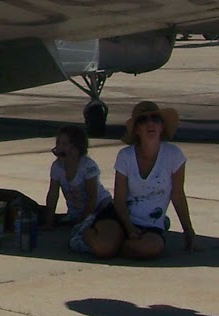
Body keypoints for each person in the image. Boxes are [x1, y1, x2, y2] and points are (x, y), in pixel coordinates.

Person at [84, 101, 200, 259]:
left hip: (150, 223)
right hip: (121, 217)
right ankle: (87, 230)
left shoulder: (174, 155)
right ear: (136, 129)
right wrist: (129, 228)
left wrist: (188, 230)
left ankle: (120, 243)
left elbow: (177, 195)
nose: (150, 123)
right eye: (143, 120)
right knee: (104, 249)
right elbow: (119, 199)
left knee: (151, 249)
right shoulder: (125, 156)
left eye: (155, 119)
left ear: (162, 126)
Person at [43, 124, 112, 254]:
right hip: (76, 211)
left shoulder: (88, 166)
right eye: (58, 143)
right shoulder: (57, 167)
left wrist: (82, 220)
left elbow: (92, 198)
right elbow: (53, 194)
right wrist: (49, 221)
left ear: (76, 148)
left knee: (87, 228)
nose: (59, 147)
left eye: (65, 144)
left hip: (99, 207)